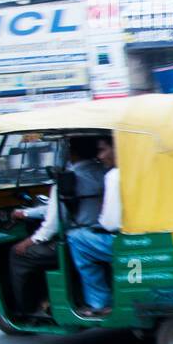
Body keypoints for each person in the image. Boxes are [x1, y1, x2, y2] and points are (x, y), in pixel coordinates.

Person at [9, 135, 105, 317]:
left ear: (71, 152)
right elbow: (60, 207)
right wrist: (27, 213)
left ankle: (25, 310)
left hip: (76, 241)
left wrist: (29, 242)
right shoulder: (104, 173)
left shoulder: (68, 180)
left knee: (18, 254)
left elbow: (52, 224)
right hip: (101, 233)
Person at [68, 136, 121, 318]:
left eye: (103, 149)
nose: (100, 156)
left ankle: (100, 303)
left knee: (76, 239)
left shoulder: (114, 175)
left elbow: (110, 222)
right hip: (146, 237)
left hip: (127, 244)